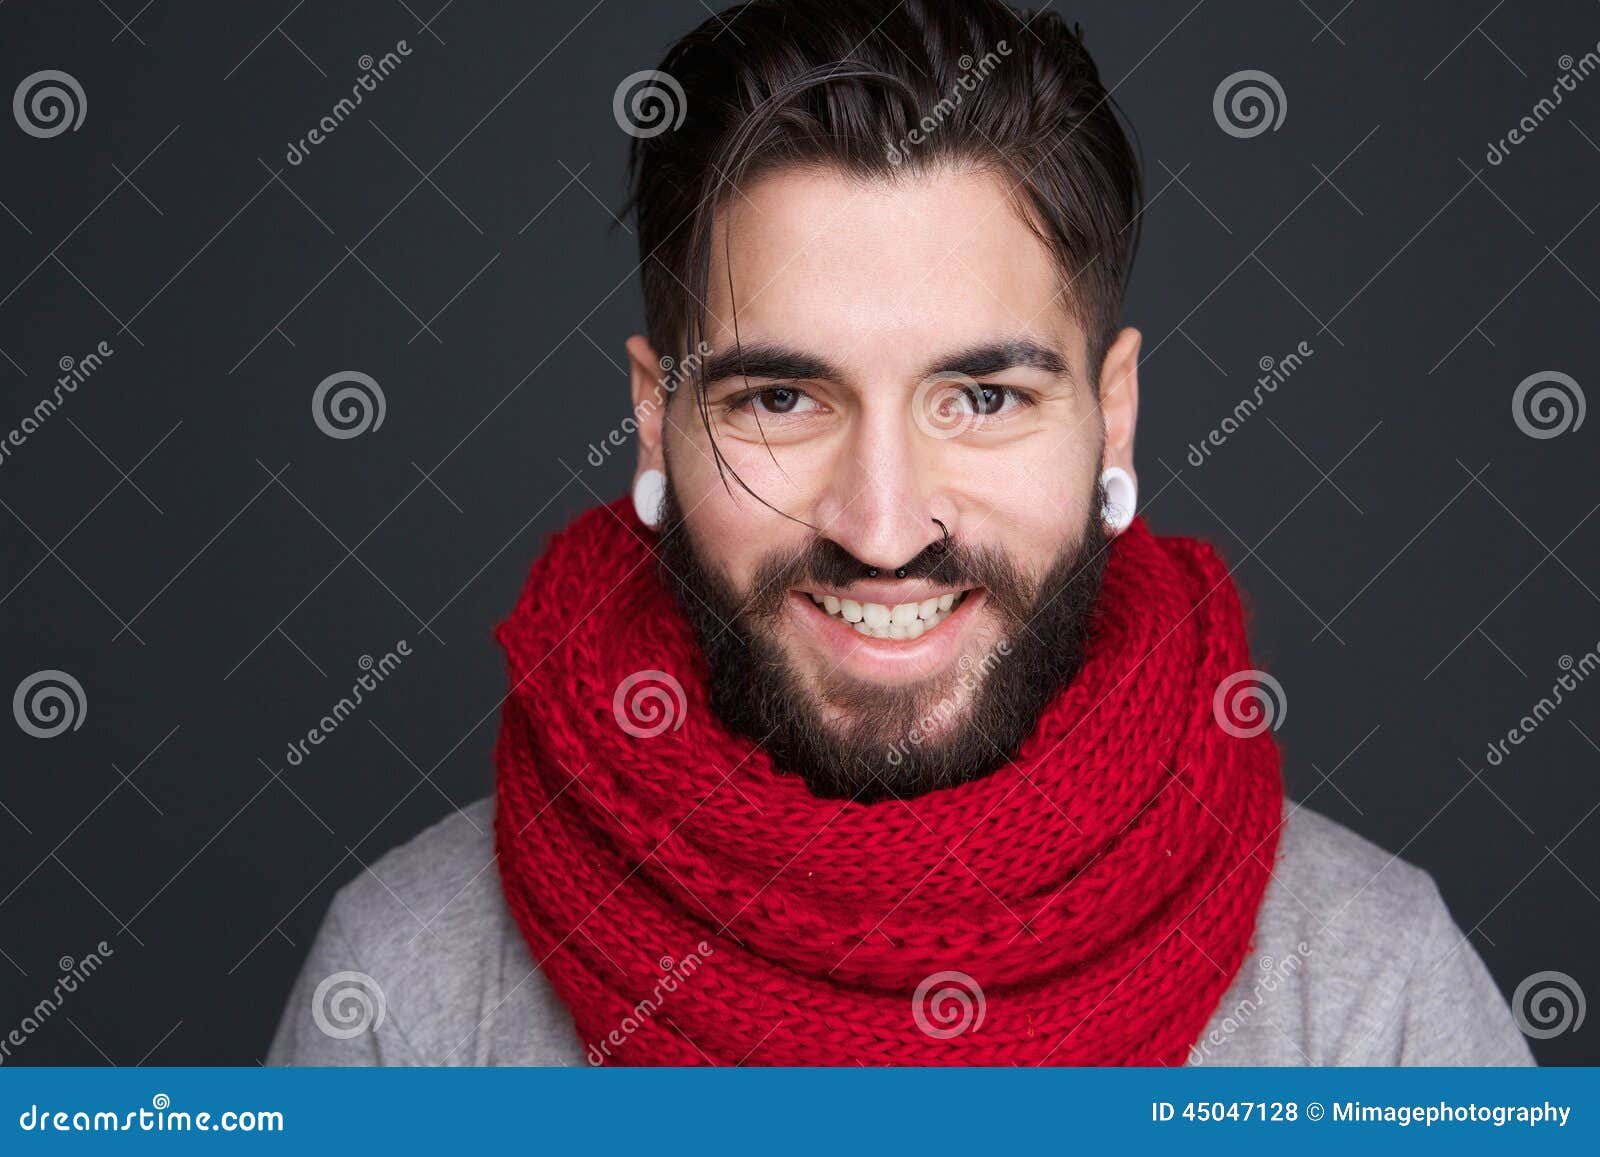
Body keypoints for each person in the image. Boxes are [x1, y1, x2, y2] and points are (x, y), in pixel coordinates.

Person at [268, 0, 1531, 1066]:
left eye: (981, 397)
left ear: (1113, 417)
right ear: (655, 422)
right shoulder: (404, 995)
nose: (881, 528)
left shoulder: (1375, 1000)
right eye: (780, 398)